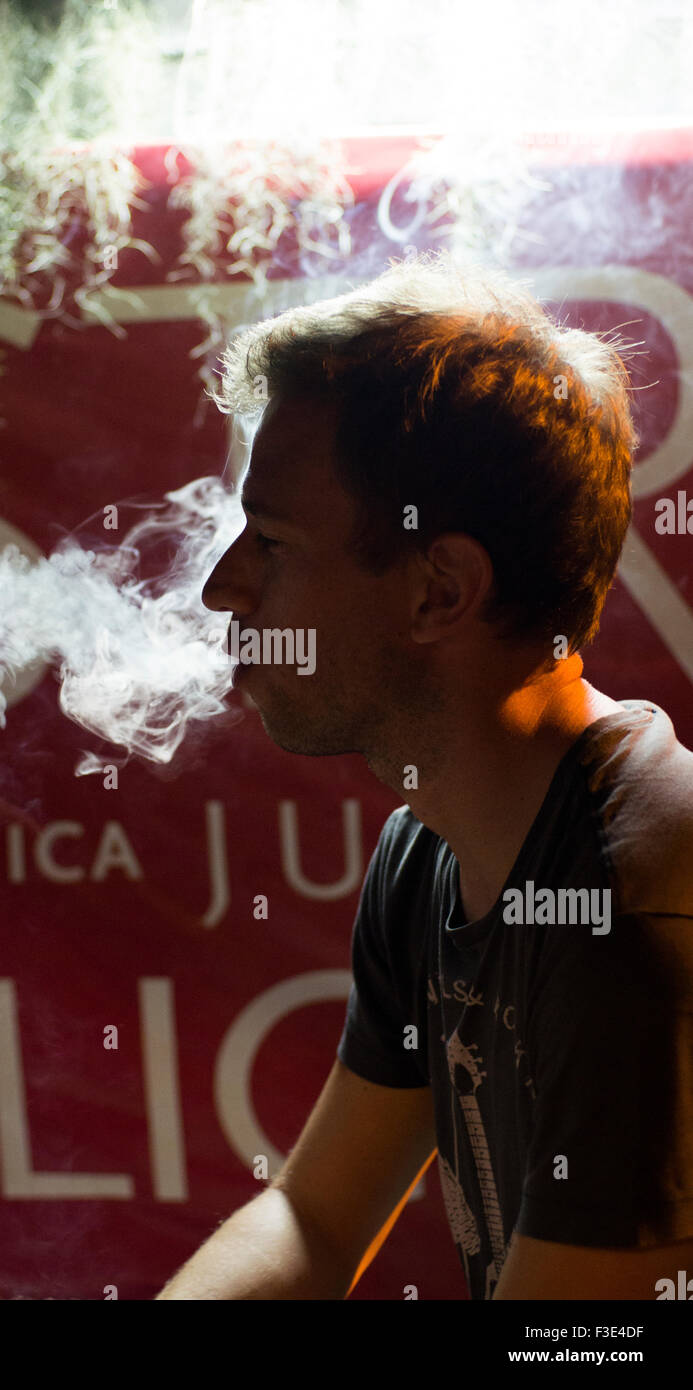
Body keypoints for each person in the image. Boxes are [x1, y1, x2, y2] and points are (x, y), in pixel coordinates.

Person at [155, 250, 693, 1300]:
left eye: (270, 541)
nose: (223, 588)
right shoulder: (433, 844)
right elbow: (311, 1220)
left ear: (439, 591)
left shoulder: (635, 913)